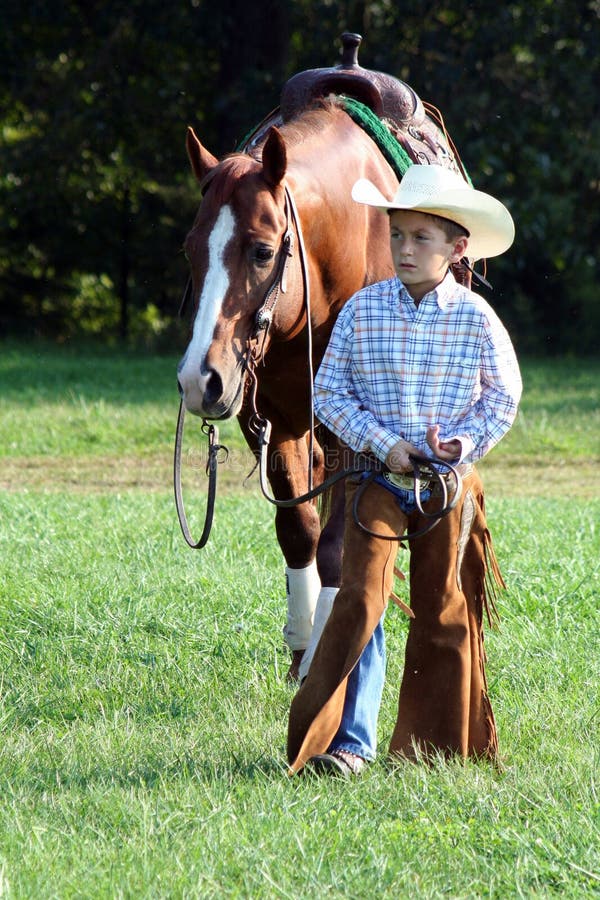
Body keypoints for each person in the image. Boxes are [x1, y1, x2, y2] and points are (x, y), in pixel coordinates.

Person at [287, 163, 522, 776]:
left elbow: (503, 395)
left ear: (457, 247)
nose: (405, 249)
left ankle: (437, 746)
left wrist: (462, 445)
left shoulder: (475, 319)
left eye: (422, 237)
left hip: (447, 486)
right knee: (361, 598)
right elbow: (330, 393)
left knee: (444, 606)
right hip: (377, 479)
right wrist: (383, 444)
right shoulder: (364, 312)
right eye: (397, 236)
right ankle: (346, 743)